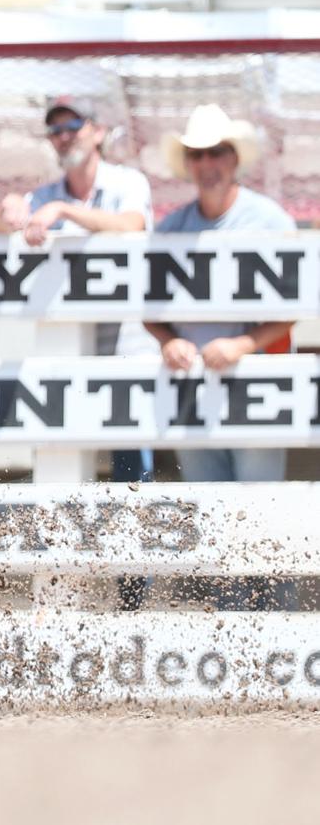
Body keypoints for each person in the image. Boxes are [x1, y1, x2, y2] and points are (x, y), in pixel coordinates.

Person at [0, 97, 157, 609]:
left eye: (73, 126)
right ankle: (67, 591)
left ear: (98, 131)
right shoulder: (44, 195)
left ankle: (135, 594)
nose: (64, 136)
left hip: (126, 343)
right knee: (65, 458)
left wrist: (61, 211)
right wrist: (6, 210)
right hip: (65, 349)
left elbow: (133, 225)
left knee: (132, 466)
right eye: (56, 129)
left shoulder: (125, 182)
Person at [147, 104, 297, 611]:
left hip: (254, 387)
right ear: (188, 163)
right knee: (209, 506)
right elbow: (148, 308)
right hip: (195, 389)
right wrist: (167, 339)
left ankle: (274, 623)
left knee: (259, 505)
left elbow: (293, 308)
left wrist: (244, 344)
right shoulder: (172, 228)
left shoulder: (268, 220)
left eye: (216, 152)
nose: (207, 163)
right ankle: (230, 623)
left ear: (233, 159)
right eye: (197, 154)